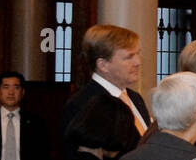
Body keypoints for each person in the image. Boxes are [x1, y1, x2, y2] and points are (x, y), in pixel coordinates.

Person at [62, 25, 151, 153]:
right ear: (103, 65)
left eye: (138, 53)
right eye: (129, 57)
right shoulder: (83, 103)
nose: (138, 62)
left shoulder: (135, 97)